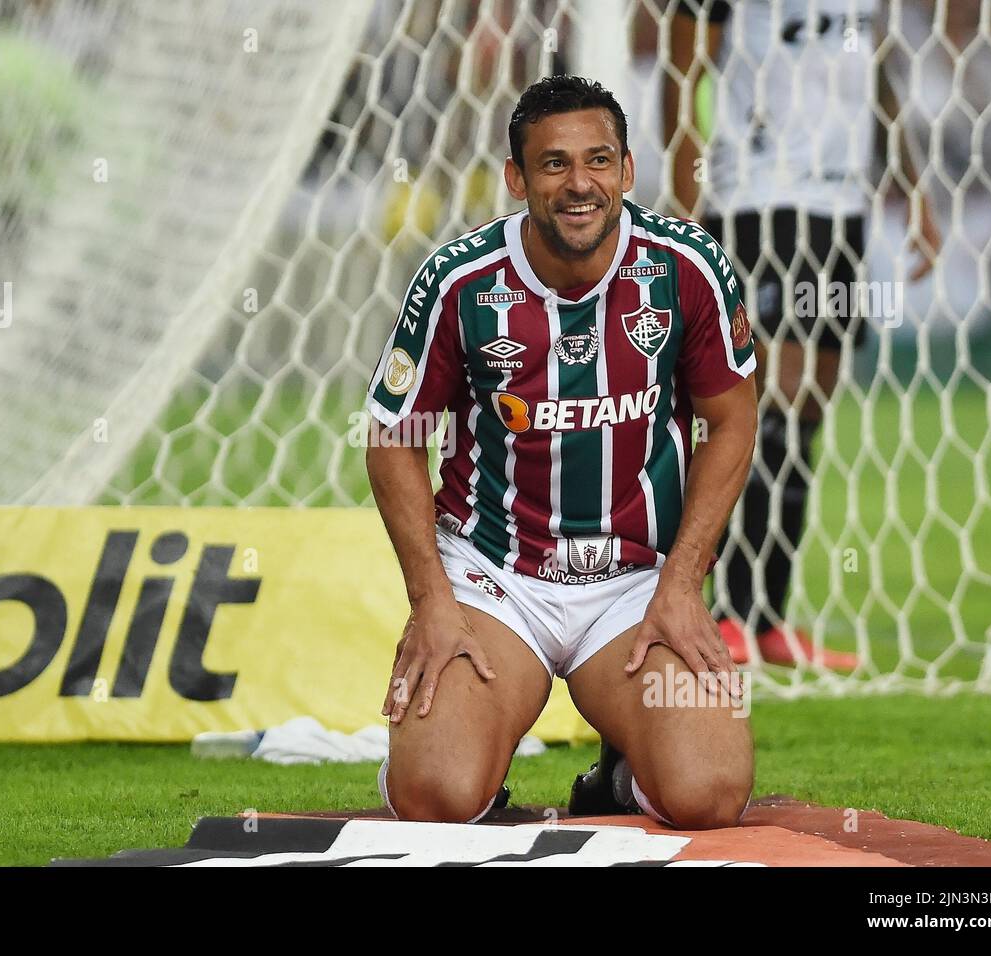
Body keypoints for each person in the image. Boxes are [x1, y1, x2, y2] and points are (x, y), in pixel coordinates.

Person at [364, 74, 756, 826]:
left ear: (628, 169)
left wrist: (683, 581)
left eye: (599, 160)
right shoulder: (460, 281)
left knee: (707, 795)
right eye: (554, 164)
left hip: (636, 585)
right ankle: (476, 752)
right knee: (437, 794)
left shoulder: (685, 267)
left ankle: (615, 779)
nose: (581, 184)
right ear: (517, 177)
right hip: (495, 579)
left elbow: (732, 422)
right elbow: (392, 437)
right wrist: (432, 601)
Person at [664, 0, 940, 667]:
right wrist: (684, 206)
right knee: (758, 396)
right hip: (754, 195)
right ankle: (724, 610)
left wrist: (912, 182)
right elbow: (682, 73)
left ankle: (766, 619)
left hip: (840, 202)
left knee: (811, 398)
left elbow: (874, 70)